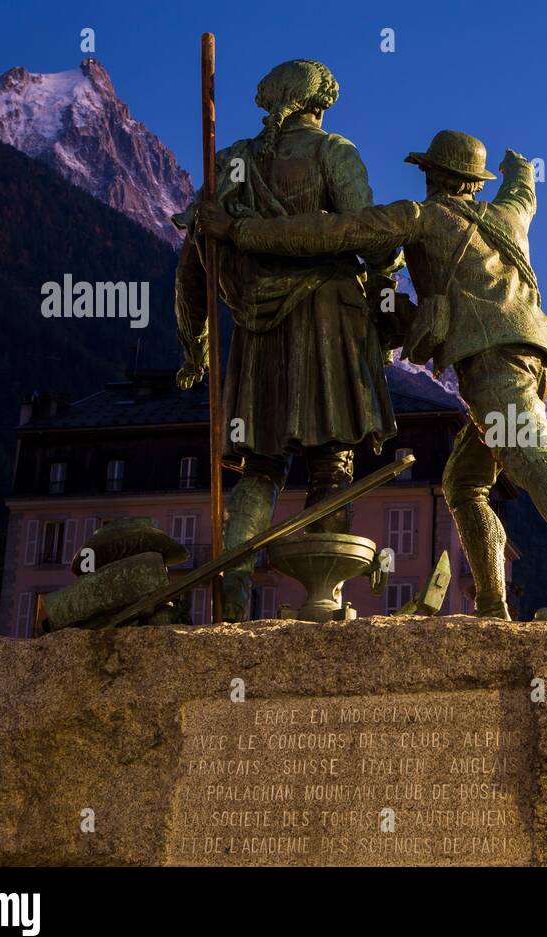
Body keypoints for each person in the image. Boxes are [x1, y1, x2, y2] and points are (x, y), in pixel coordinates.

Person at [197, 130, 547, 626]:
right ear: (474, 180)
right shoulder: (512, 215)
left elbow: (335, 233)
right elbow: (523, 188)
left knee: (531, 460)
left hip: (493, 364)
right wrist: (519, 167)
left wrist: (240, 232)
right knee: (465, 482)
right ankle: (492, 606)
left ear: (431, 174)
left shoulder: (421, 216)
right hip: (533, 360)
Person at [174, 59, 402, 622]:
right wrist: (388, 292)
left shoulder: (230, 163)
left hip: (258, 331)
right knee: (332, 460)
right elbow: (369, 237)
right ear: (321, 103)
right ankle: (325, 600)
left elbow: (192, 262)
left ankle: (233, 591)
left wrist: (194, 342)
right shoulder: (335, 153)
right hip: (331, 317)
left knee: (261, 467)